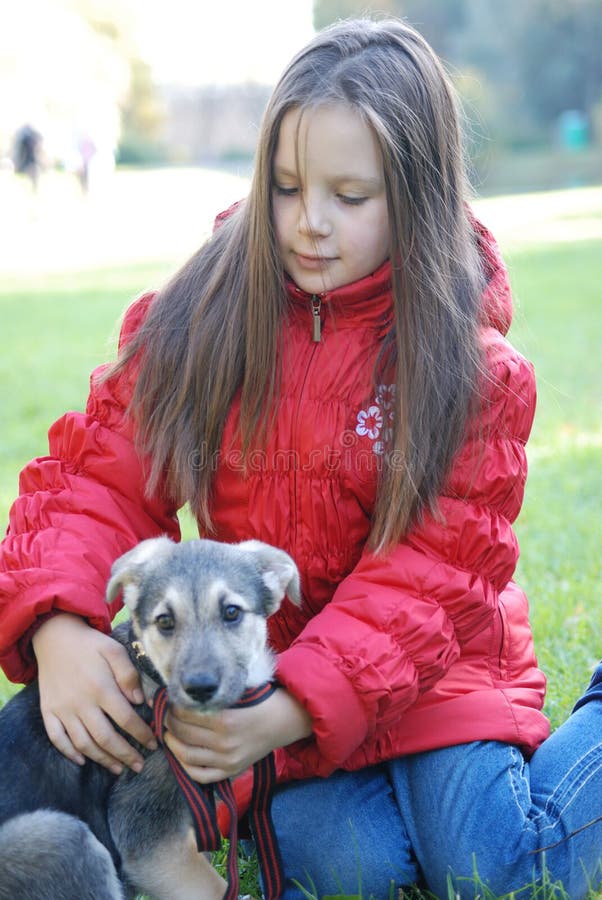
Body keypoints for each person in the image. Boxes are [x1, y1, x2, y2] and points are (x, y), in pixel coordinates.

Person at [0, 17, 600, 899]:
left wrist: (292, 705)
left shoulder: (471, 369)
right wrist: (58, 626)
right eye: (285, 187)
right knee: (342, 867)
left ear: (418, 195)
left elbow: (433, 579)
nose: (310, 223)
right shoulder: (200, 319)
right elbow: (99, 477)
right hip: (278, 697)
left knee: (499, 869)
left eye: (350, 197)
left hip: (433, 672)